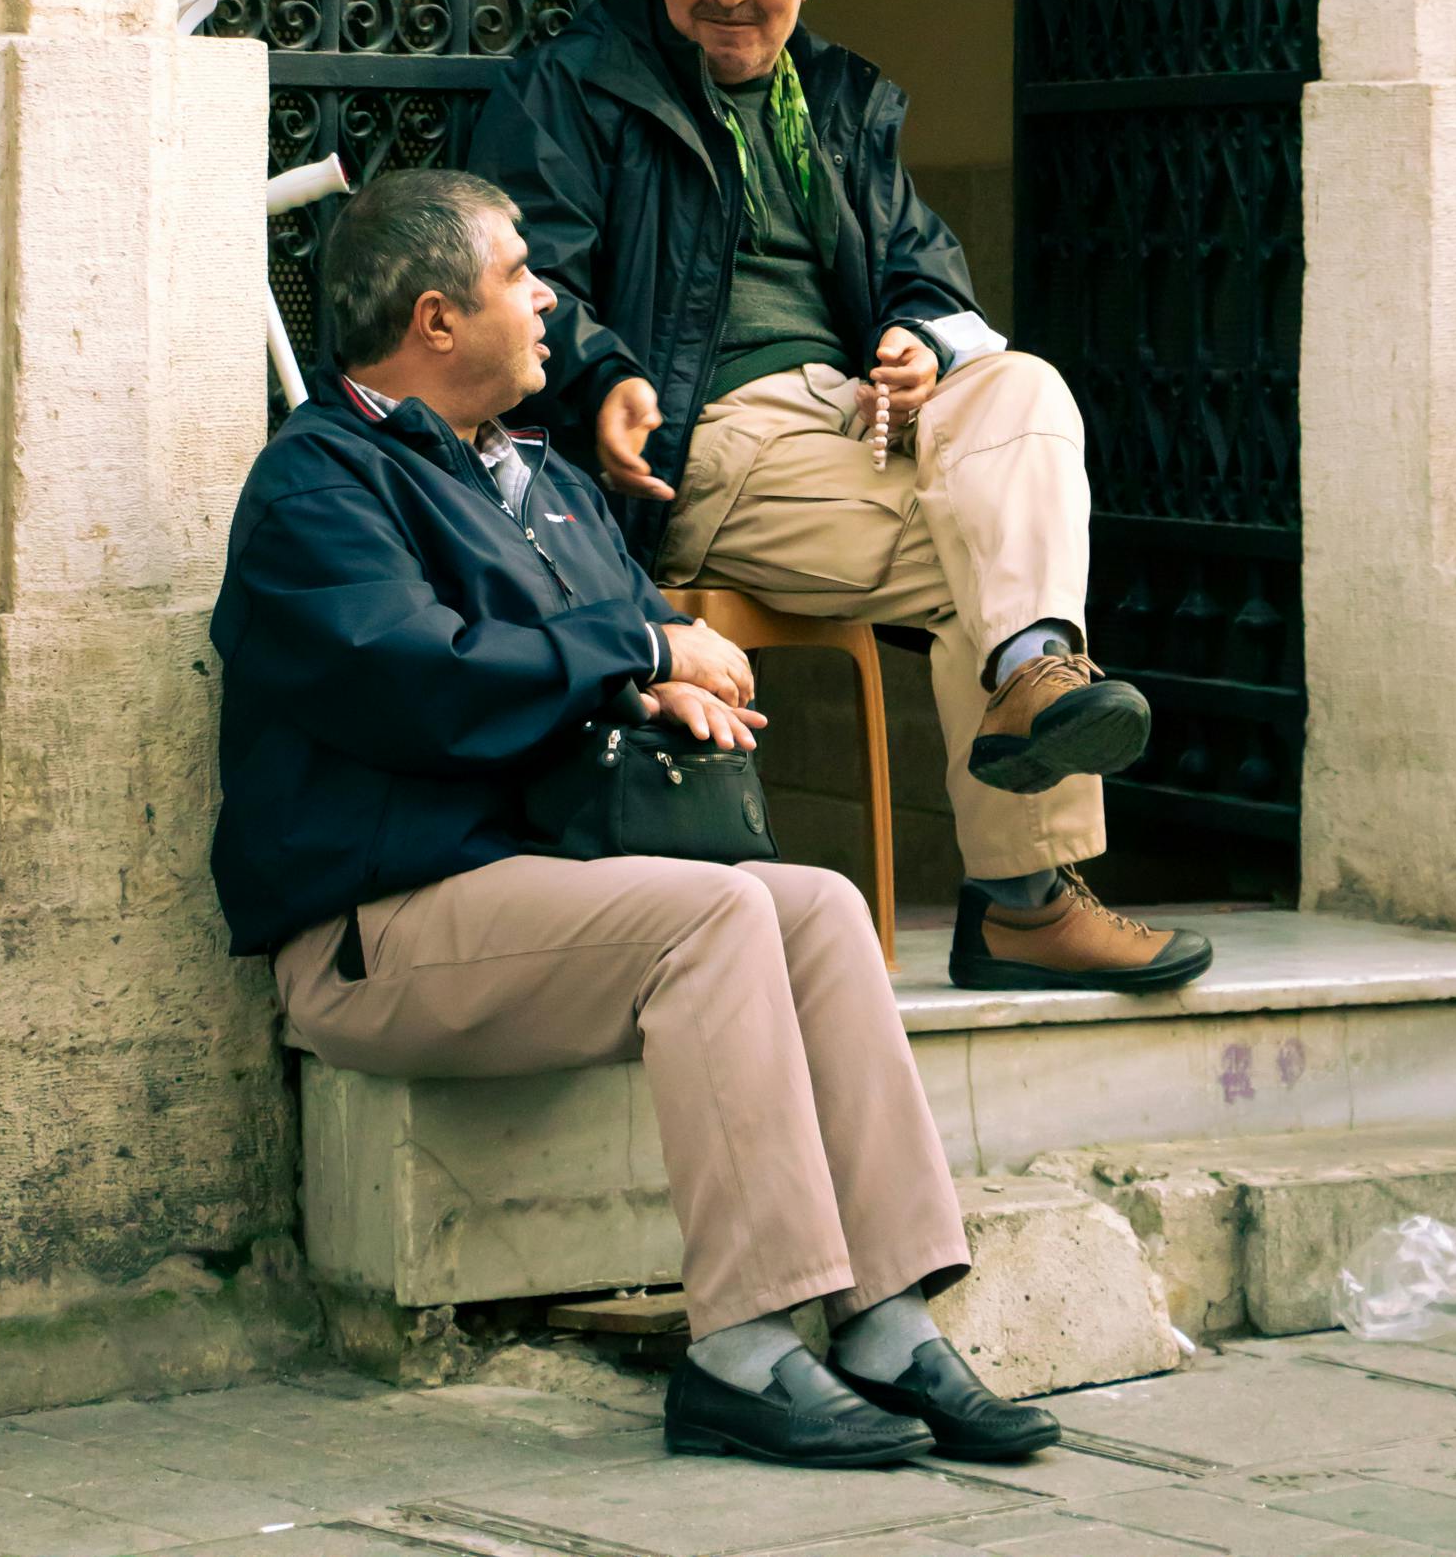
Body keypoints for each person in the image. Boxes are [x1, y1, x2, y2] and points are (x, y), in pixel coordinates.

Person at [208, 167, 1061, 1469]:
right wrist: (632, 646)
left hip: (543, 894)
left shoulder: (542, 479)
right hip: (377, 928)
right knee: (717, 916)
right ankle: (741, 1347)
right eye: (516, 276)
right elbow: (417, 677)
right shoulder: (317, 483)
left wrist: (663, 679)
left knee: (819, 905)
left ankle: (886, 1315)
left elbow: (606, 658)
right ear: (437, 319)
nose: (547, 296)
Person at [470, 0, 1213, 994]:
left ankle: (1032, 665)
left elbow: (926, 267)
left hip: (857, 424)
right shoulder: (572, 85)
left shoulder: (846, 101)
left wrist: (918, 337)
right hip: (699, 435)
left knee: (1024, 387)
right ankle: (1023, 896)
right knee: (997, 550)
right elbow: (528, 277)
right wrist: (601, 375)